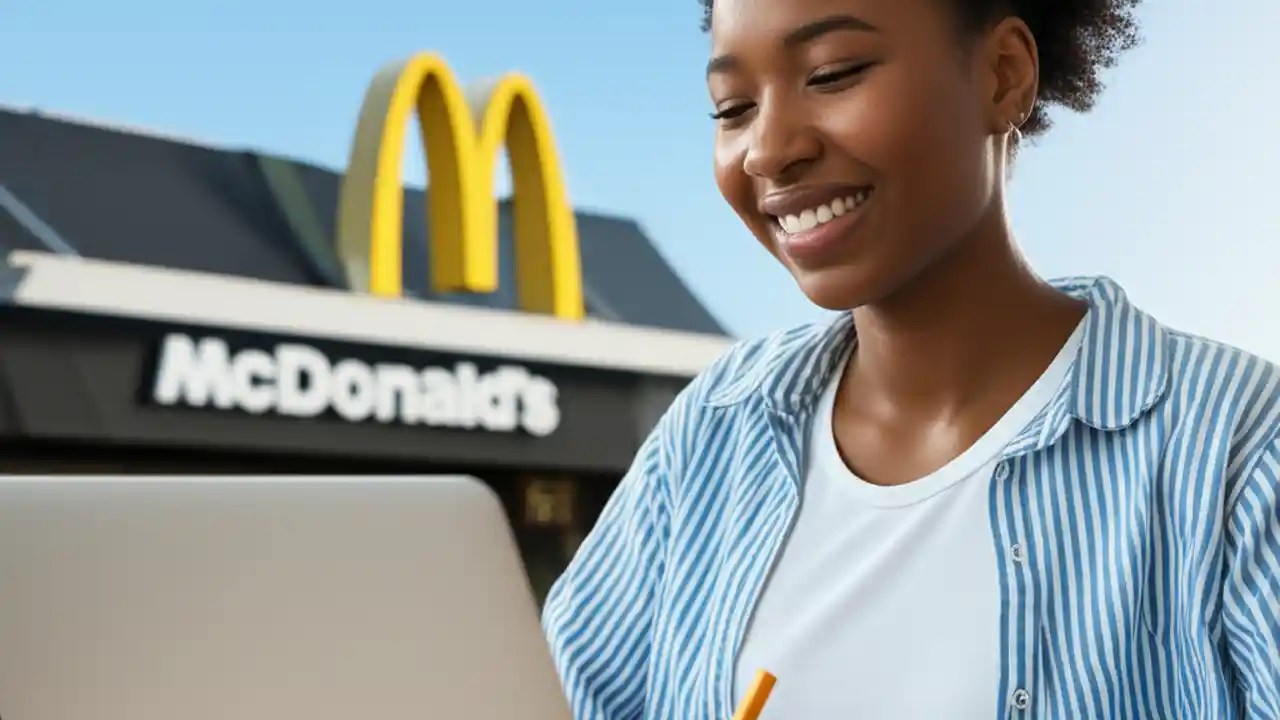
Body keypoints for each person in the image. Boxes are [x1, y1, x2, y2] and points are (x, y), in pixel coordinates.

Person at [542, 0, 1280, 717]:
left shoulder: (1236, 450)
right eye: (732, 108)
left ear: (1002, 74)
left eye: (833, 72)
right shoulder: (715, 429)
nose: (768, 149)